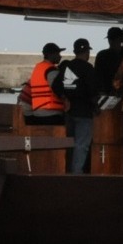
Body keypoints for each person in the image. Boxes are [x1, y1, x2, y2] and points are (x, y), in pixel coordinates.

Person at [51, 38, 100, 173]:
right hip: (84, 112)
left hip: (69, 112)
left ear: (75, 51)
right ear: (87, 52)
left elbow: (55, 86)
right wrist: (97, 106)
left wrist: (64, 97)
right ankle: (76, 174)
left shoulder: (67, 66)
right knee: (82, 145)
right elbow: (93, 91)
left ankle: (67, 171)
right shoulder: (88, 68)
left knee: (70, 144)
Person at [22, 43, 67, 125]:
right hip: (51, 113)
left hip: (38, 113)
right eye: (58, 53)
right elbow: (58, 88)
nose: (60, 56)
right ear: (51, 55)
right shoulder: (51, 70)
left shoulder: (38, 68)